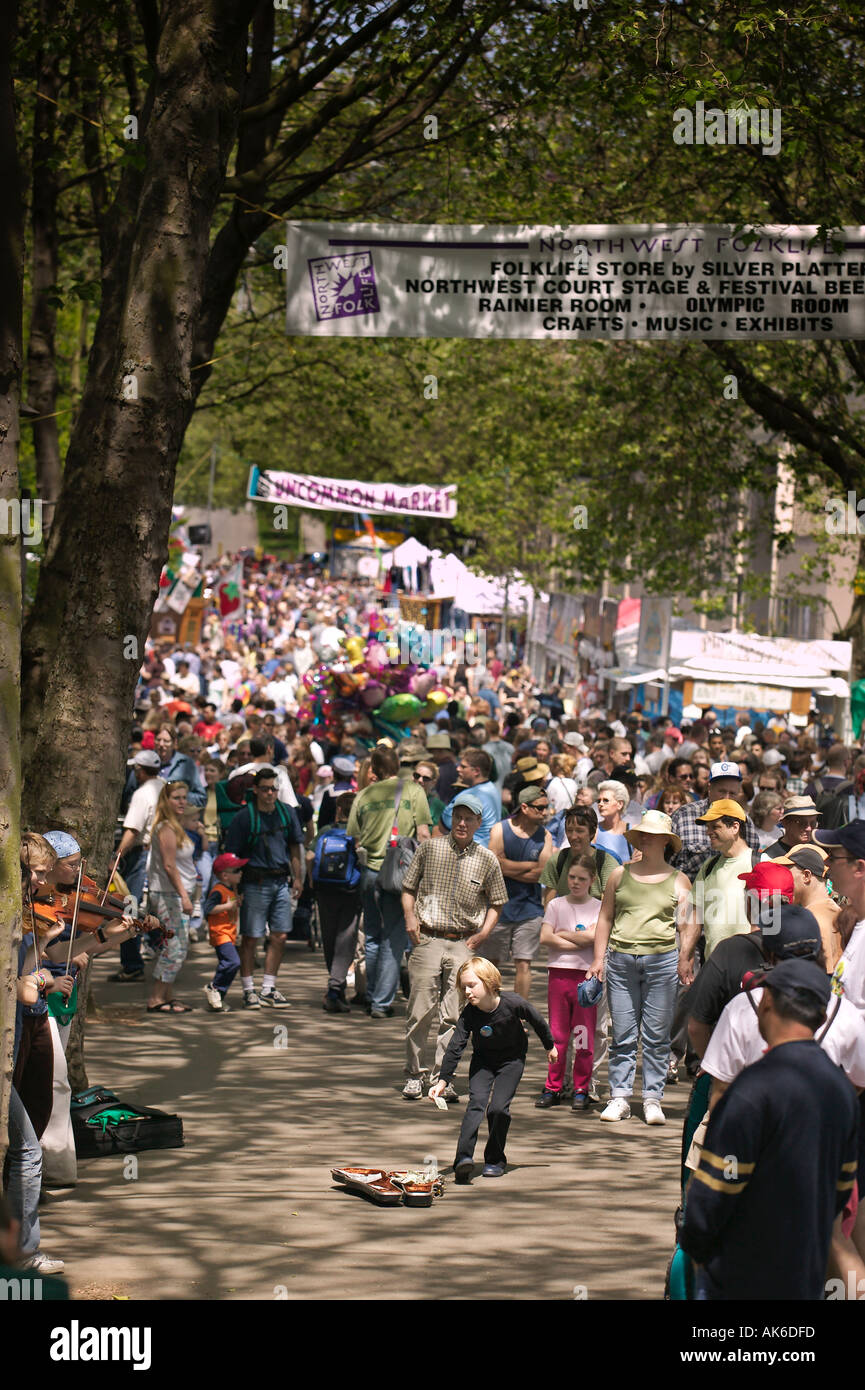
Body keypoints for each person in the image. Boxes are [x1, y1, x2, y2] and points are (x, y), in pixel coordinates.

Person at [679, 959, 860, 1301]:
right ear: (821, 1019)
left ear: (765, 1004)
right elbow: (842, 1185)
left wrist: (695, 1243)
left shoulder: (751, 1091)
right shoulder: (842, 1092)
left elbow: (719, 1184)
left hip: (741, 1274)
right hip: (806, 1272)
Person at [586, 810, 691, 1125]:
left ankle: (652, 1098)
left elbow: (688, 924)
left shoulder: (679, 879)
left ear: (665, 842)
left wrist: (685, 957)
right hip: (620, 960)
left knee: (657, 1035)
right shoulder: (620, 874)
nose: (645, 838)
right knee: (623, 1033)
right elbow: (605, 917)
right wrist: (597, 958)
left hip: (662, 961)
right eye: (642, 834)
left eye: (652, 835)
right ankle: (619, 1096)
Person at [400, 792, 508, 1099]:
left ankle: (441, 1078)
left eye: (468, 818)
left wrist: (483, 934)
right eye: (457, 817)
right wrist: (410, 917)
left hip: (462, 942)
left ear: (478, 823)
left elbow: (497, 902)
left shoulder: (486, 859)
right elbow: (408, 888)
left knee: (455, 1014)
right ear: (450, 819)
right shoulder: (429, 849)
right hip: (428, 937)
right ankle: (414, 1074)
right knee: (419, 1010)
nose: (462, 823)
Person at [429, 957, 556, 1182]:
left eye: (471, 985)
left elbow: (538, 1020)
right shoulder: (470, 1014)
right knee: (475, 1106)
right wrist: (443, 1080)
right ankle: (463, 1160)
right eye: (463, 987)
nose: (467, 992)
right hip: (483, 1062)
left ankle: (495, 1159)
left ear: (489, 982)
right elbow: (455, 1046)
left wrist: (550, 1047)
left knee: (497, 1109)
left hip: (511, 1061)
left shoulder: (512, 1003)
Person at [346, 745, 431, 1018]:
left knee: (372, 934)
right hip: (398, 871)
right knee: (394, 937)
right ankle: (381, 1003)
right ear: (397, 765)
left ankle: (372, 993)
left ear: (374, 768)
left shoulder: (362, 795)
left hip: (369, 870)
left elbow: (355, 837)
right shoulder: (414, 791)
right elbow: (424, 833)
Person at [225, 768, 304, 1008]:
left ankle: (269, 987)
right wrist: (232, 887)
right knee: (251, 937)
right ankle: (249, 990)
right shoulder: (244, 817)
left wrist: (298, 878)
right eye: (266, 789)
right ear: (256, 790)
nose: (270, 793)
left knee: (279, 935)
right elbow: (231, 855)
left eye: (274, 789)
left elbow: (294, 847)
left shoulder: (286, 812)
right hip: (254, 883)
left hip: (281, 882)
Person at [535, 856, 601, 1112]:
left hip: (586, 978)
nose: (575, 883)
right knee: (558, 1035)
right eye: (572, 877)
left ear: (592, 880)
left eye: (582, 879)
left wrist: (561, 934)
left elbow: (595, 939)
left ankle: (581, 1088)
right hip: (559, 975)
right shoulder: (555, 905)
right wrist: (578, 939)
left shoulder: (598, 906)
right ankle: (553, 1086)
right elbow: (545, 938)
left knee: (583, 1036)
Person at [483, 785, 554, 999]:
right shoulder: (499, 829)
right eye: (540, 808)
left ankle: (519, 1014)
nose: (545, 812)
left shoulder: (545, 836)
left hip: (530, 909)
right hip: (499, 907)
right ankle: (488, 1007)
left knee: (524, 963)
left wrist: (508, 866)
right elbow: (494, 866)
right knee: (491, 962)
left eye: (546, 807)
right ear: (524, 807)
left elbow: (542, 873)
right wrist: (527, 865)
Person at [677, 799, 756, 985]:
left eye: (715, 826)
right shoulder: (708, 867)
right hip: (714, 967)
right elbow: (694, 915)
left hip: (751, 968)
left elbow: (774, 919)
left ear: (735, 827)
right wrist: (685, 956)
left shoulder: (761, 863)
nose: (708, 832)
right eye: (707, 826)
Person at [308, 792, 362, 1013]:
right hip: (350, 890)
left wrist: (312, 881)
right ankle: (334, 989)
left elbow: (310, 856)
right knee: (346, 939)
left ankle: (335, 989)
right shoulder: (358, 834)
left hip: (325, 890)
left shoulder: (325, 831)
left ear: (339, 810)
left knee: (329, 938)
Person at [671, 760, 760, 881]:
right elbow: (668, 862)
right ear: (709, 788)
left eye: (732, 793)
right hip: (689, 894)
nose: (726, 798)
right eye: (722, 791)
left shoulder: (745, 822)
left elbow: (752, 865)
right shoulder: (683, 816)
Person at [774, 843, 843, 971]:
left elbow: (822, 976)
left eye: (787, 874)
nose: (782, 881)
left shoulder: (812, 921)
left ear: (806, 876)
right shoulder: (838, 912)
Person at [201, 853, 247, 1013]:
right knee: (232, 962)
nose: (240, 873)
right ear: (225, 875)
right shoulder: (218, 890)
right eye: (236, 870)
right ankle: (214, 987)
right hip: (220, 934)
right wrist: (227, 907)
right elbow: (208, 909)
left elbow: (231, 906)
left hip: (229, 934)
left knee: (229, 964)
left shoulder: (230, 889)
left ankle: (217, 997)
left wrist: (236, 903)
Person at [436, 748, 501, 847]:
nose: (458, 769)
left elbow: (443, 827)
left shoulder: (468, 795)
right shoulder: (493, 789)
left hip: (469, 855)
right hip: (487, 850)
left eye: (463, 767)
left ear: (476, 771)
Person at [759, 794, 821, 859]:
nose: (809, 828)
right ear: (785, 823)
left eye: (813, 823)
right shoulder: (769, 857)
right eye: (802, 823)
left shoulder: (819, 852)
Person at [594, 781, 631, 862]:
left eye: (605, 800)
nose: (600, 804)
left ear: (620, 804)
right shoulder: (594, 830)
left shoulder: (632, 831)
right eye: (598, 801)